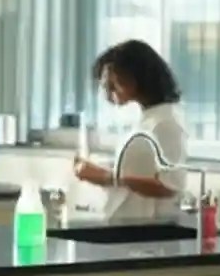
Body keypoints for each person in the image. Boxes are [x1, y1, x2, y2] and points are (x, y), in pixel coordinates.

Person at [73, 39, 186, 220]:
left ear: (136, 77)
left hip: (149, 231)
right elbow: (139, 171)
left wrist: (107, 177)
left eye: (112, 86)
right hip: (129, 224)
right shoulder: (148, 119)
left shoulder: (165, 122)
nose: (109, 95)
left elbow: (170, 185)